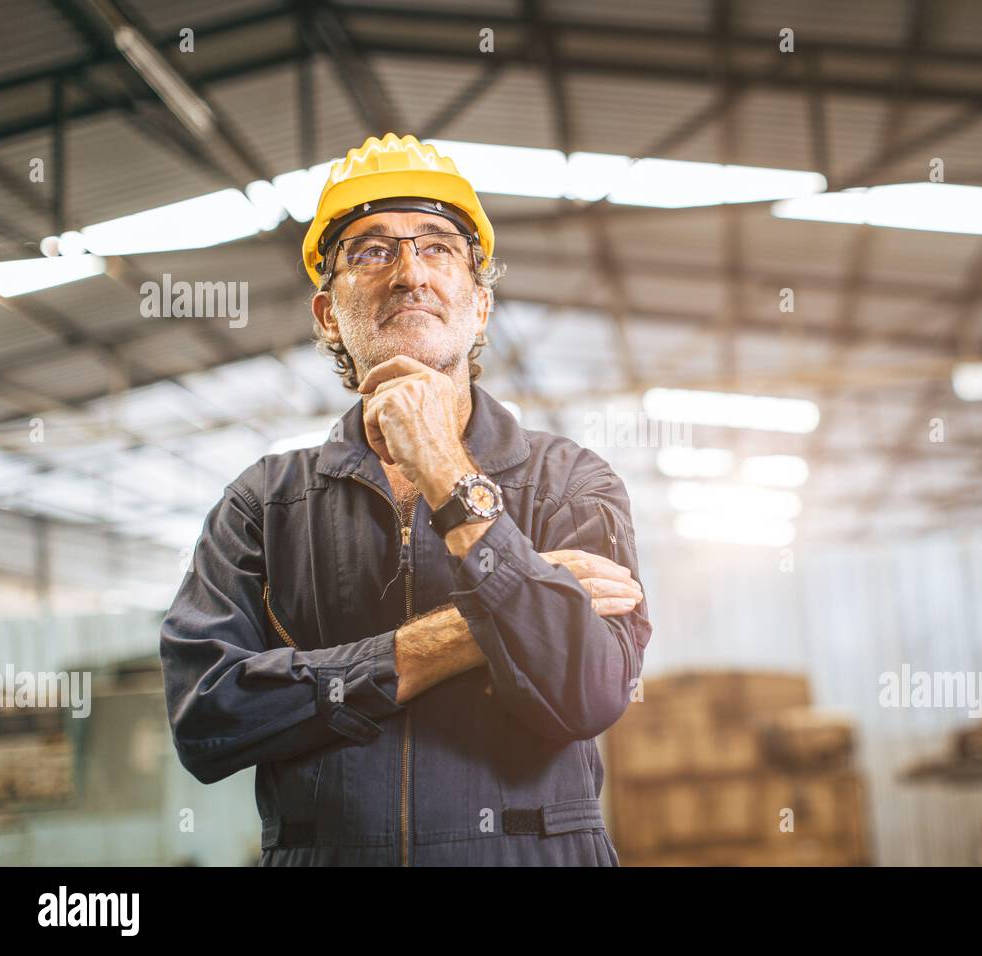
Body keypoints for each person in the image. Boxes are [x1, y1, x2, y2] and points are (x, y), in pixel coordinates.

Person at [160, 133, 652, 865]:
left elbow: (585, 691)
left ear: (478, 305)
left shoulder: (570, 482)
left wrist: (445, 470)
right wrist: (457, 633)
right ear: (328, 314)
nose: (409, 272)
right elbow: (208, 719)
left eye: (437, 247)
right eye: (370, 251)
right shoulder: (264, 505)